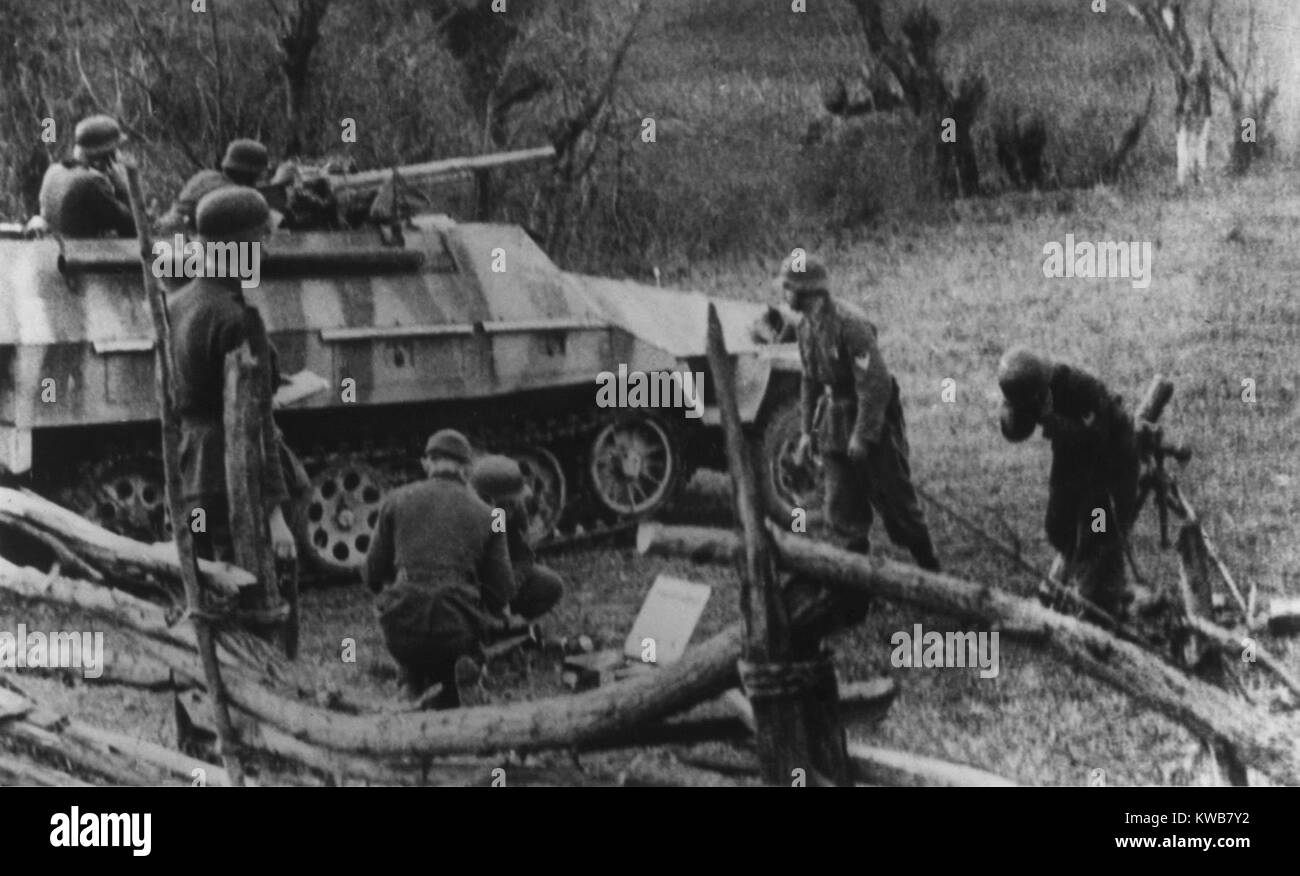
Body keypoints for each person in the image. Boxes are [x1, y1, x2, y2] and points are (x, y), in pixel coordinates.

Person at [167, 187, 297, 572]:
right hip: (234, 476)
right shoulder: (237, 320)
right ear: (241, 247)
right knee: (253, 582)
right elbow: (257, 425)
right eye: (261, 241)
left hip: (192, 471)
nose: (267, 252)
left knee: (207, 574)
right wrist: (276, 518)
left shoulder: (178, 302)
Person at [785, 251, 940, 571]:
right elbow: (809, 380)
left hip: (870, 417)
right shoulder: (804, 328)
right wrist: (804, 433)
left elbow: (876, 384)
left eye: (789, 287)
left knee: (897, 504)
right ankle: (857, 588)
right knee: (841, 509)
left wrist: (863, 435)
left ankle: (931, 569)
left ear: (808, 291)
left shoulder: (849, 324)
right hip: (833, 423)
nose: (784, 293)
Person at [364, 430, 516, 709]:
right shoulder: (492, 515)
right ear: (467, 470)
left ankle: (411, 675)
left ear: (427, 464)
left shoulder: (395, 500)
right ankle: (466, 670)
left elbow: (371, 574)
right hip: (455, 630)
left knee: (405, 616)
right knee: (471, 626)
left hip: (402, 630)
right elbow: (502, 591)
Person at [997, 347, 1141, 619]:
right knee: (1059, 525)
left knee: (1099, 531)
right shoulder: (1033, 388)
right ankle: (1086, 587)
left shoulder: (1082, 390)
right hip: (1073, 455)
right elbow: (1015, 429)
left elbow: (1098, 438)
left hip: (1109, 465)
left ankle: (1102, 603)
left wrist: (1052, 420)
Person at [469, 455, 564, 621]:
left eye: (511, 503)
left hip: (502, 577)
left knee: (551, 585)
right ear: (485, 499)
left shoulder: (513, 506)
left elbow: (523, 556)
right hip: (471, 586)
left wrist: (508, 587)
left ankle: (512, 628)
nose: (510, 508)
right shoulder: (465, 512)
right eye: (503, 504)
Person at [37, 114, 135, 238]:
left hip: (57, 250)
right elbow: (133, 230)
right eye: (117, 150)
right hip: (80, 255)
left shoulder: (53, 171)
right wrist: (121, 186)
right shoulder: (91, 183)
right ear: (108, 157)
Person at [159, 139, 271, 234]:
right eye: (257, 175)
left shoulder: (205, 175)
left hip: (169, 225)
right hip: (191, 235)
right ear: (249, 174)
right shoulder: (236, 195)